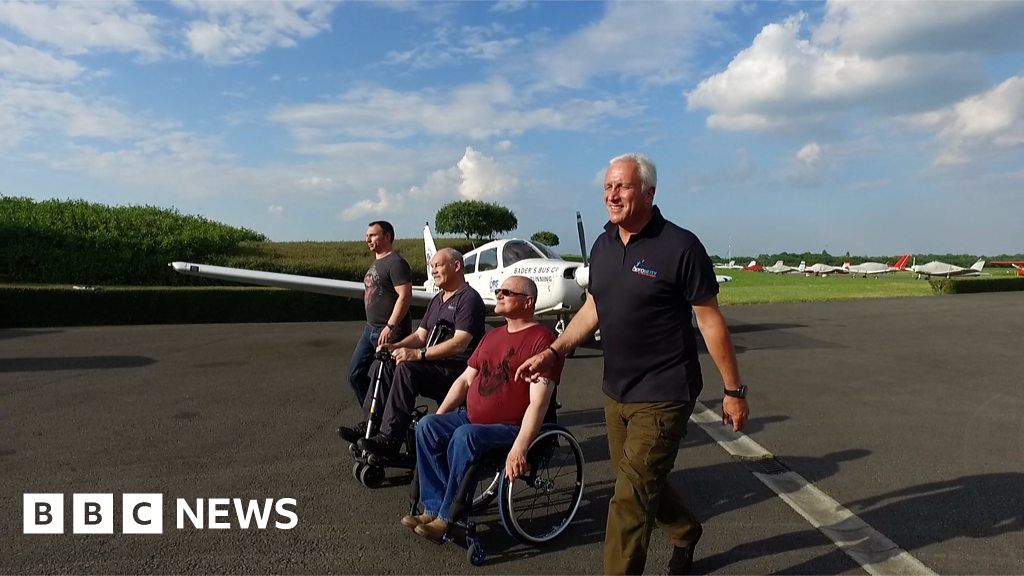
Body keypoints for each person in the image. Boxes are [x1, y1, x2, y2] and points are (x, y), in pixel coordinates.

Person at [516, 153, 750, 575]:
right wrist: (556, 349)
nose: (612, 194)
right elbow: (594, 307)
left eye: (621, 186)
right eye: (607, 187)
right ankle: (685, 530)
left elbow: (710, 319)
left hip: (664, 393)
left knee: (628, 501)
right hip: (616, 390)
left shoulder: (680, 246)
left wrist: (733, 391)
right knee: (638, 481)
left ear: (648, 192)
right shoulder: (604, 246)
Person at [401, 275, 563, 543]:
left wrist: (520, 448)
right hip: (473, 418)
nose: (499, 294)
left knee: (466, 435)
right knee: (428, 426)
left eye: (507, 292)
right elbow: (465, 380)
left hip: (510, 427)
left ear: (528, 301)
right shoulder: (493, 335)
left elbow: (539, 402)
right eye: (498, 290)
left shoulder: (542, 340)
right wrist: (440, 415)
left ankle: (450, 517)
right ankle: (434, 509)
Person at [338, 248, 487, 456]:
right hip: (436, 365)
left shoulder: (469, 299)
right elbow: (420, 336)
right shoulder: (438, 300)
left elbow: (460, 343)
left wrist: (418, 354)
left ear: (456, 266)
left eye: (438, 265)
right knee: (389, 361)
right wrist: (396, 347)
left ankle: (390, 438)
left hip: (456, 370)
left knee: (407, 368)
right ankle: (371, 424)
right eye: (431, 266)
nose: (433, 271)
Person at [343, 221, 413, 408]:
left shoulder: (396, 263)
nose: (368, 239)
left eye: (373, 235)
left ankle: (388, 425)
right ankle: (373, 417)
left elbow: (405, 296)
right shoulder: (377, 262)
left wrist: (391, 326)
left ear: (387, 236)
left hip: (389, 331)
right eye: (367, 236)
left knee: (389, 383)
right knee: (354, 374)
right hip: (370, 330)